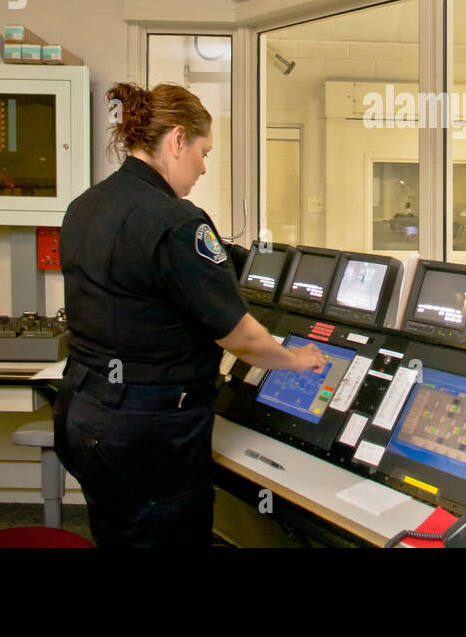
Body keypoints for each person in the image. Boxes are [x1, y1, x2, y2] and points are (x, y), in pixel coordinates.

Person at [54, 81, 325, 547]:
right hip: (149, 439)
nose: (202, 167)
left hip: (85, 417)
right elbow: (239, 337)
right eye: (203, 152)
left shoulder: (85, 206)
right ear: (177, 139)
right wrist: (296, 359)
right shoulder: (178, 223)